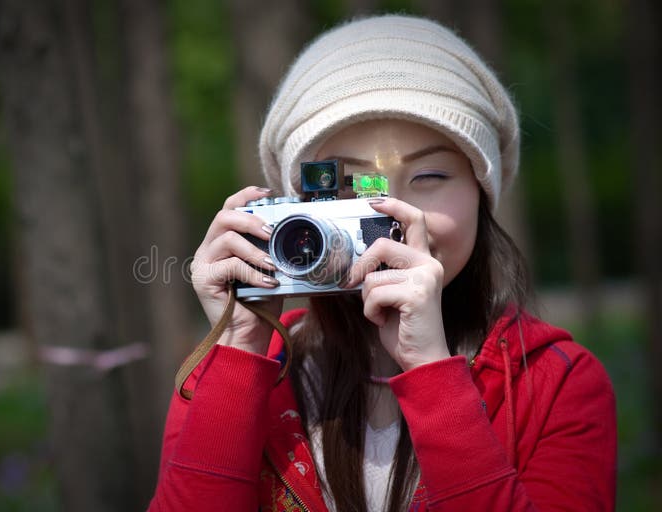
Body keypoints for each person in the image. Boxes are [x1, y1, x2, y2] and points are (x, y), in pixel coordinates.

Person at [148, 14, 616, 512]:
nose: (392, 216)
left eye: (431, 175)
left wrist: (432, 371)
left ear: (482, 194)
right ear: (297, 214)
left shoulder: (555, 384)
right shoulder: (225, 379)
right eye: (349, 186)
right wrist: (240, 347)